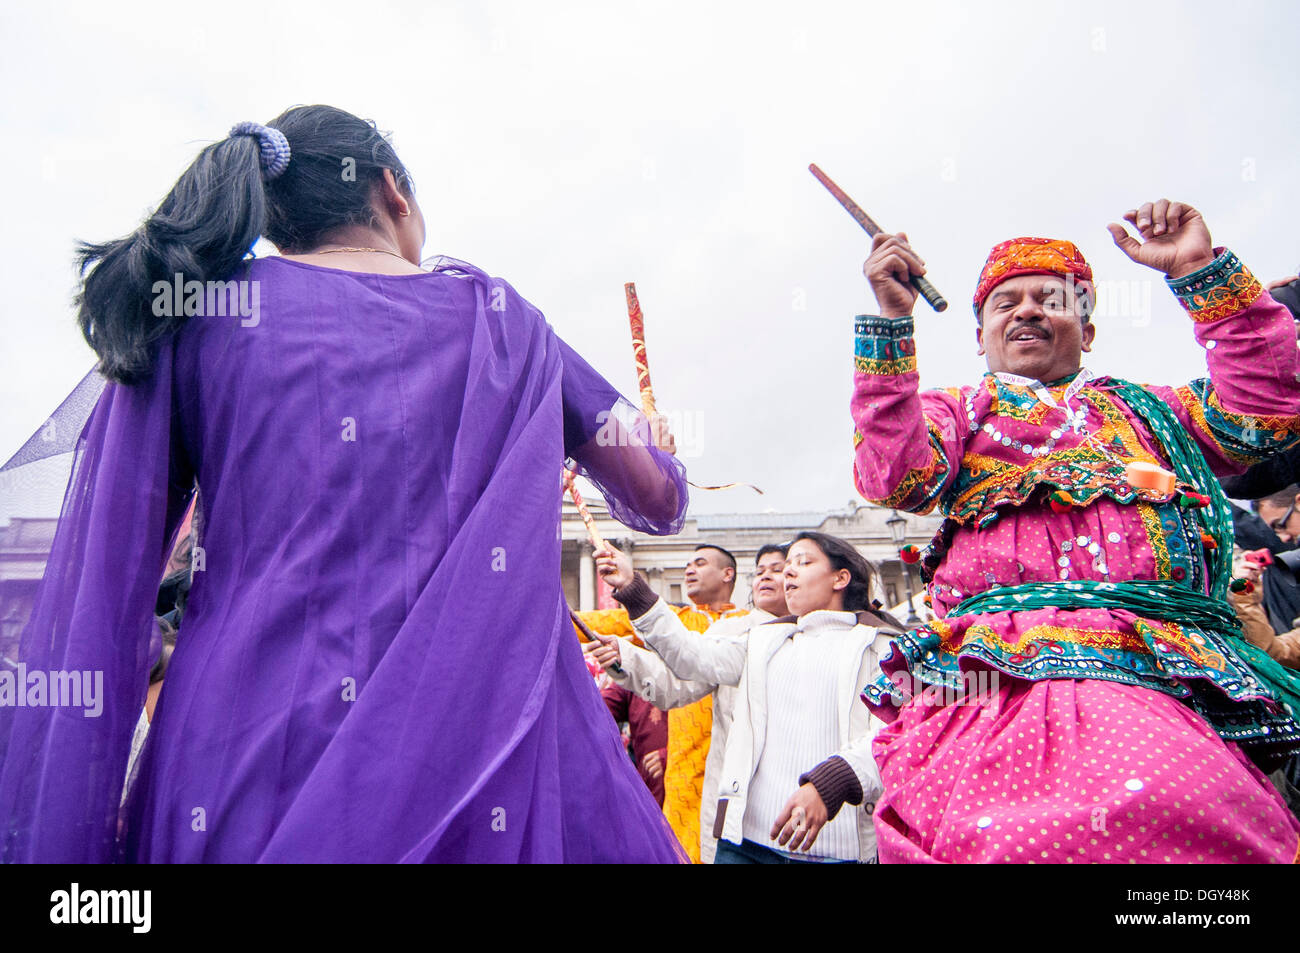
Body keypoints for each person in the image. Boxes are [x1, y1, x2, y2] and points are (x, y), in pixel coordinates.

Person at [0, 105, 690, 863]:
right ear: (393, 191)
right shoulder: (503, 325)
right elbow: (657, 492)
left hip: (240, 761)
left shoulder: (201, 317)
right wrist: (651, 433)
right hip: (482, 764)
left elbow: (109, 577)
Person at [850, 199, 1300, 862]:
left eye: (1052, 299)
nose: (1028, 309)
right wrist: (893, 321)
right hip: (994, 691)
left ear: (1087, 333)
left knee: (1203, 830)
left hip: (1155, 677)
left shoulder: (1154, 411)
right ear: (980, 336)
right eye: (1007, 302)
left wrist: (1198, 269)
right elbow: (894, 476)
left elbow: (1269, 407)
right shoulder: (957, 412)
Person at [600, 532, 900, 863]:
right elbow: (689, 655)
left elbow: (894, 737)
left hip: (840, 850)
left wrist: (831, 782)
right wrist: (631, 587)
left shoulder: (886, 649)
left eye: (803, 562)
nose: (789, 573)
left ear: (841, 578)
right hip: (746, 844)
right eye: (787, 566)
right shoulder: (761, 641)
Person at [586, 542, 790, 861]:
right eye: (760, 570)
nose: (689, 570)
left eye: (778, 570)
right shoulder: (700, 624)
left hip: (774, 792)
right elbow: (675, 674)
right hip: (692, 776)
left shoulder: (753, 629)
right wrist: (621, 653)